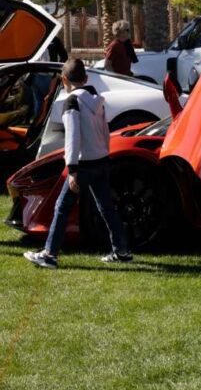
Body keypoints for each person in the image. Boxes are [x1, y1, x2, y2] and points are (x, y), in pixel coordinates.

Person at [25, 58, 133, 268]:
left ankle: (49, 254)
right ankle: (122, 250)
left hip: (83, 165)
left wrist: (72, 169)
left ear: (64, 80)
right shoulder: (97, 98)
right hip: (101, 160)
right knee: (106, 207)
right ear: (85, 78)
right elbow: (105, 132)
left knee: (62, 207)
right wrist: (105, 154)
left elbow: (71, 137)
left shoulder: (71, 102)